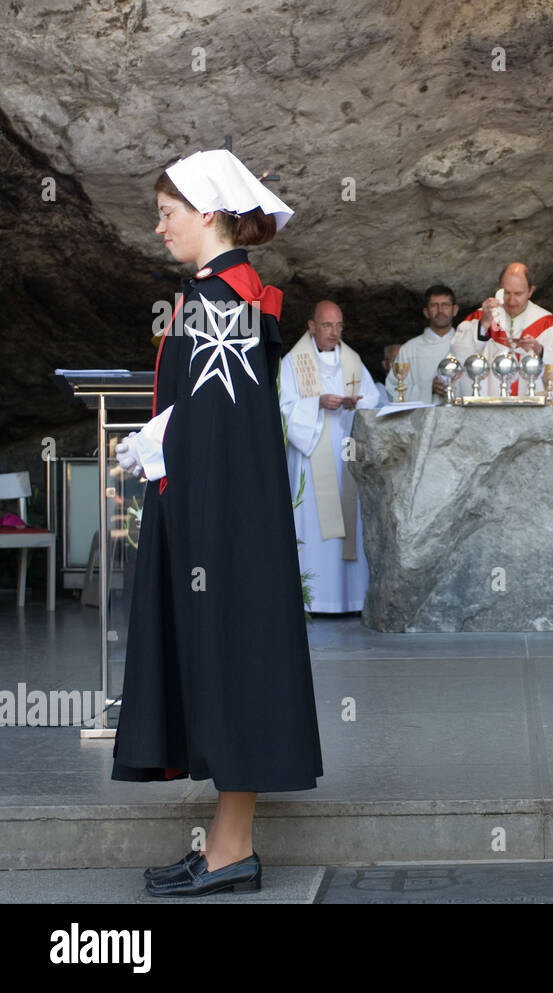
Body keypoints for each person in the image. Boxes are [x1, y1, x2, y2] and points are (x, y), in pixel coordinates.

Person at [112, 148, 322, 896]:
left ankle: (232, 851)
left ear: (206, 211)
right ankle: (227, 846)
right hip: (217, 514)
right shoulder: (219, 292)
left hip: (220, 524)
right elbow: (212, 415)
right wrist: (164, 438)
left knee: (230, 662)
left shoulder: (221, 298)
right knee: (224, 663)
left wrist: (160, 445)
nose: (159, 226)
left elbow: (220, 425)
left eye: (168, 214)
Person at [279, 301, 385, 613]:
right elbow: (282, 408)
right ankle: (313, 600)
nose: (334, 332)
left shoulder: (352, 360)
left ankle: (349, 599)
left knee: (350, 524)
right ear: (311, 326)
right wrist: (316, 404)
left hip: (346, 455)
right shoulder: (293, 362)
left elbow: (375, 398)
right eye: (327, 325)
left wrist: (357, 403)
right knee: (313, 531)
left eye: (338, 326)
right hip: (311, 462)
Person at [451, 263, 553, 396]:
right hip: (488, 406)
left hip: (531, 408)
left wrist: (540, 351)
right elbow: (459, 358)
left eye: (518, 294)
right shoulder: (480, 317)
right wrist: (484, 325)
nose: (511, 301)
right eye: (507, 293)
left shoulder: (547, 324)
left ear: (531, 291)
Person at [385, 284, 459, 402]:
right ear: (426, 312)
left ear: (455, 310)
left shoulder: (467, 344)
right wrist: (427, 388)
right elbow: (392, 390)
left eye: (445, 305)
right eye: (434, 305)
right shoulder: (409, 349)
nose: (440, 310)